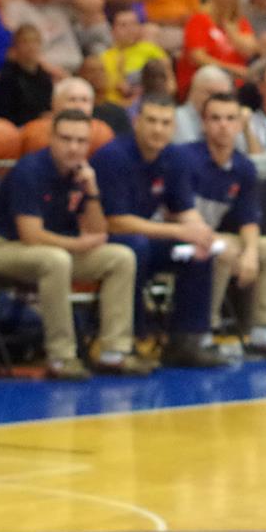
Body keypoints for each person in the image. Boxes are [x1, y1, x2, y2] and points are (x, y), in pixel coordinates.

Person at [0, 107, 150, 380]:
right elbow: (30, 235)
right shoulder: (30, 169)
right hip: (1, 249)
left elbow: (98, 233)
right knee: (55, 260)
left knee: (120, 256)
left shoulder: (80, 174)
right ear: (51, 138)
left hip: (54, 249)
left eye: (81, 141)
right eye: (66, 139)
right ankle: (61, 356)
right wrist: (78, 244)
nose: (73, 147)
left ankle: (114, 352)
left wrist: (92, 191)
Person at [93, 93, 230, 368]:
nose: (158, 129)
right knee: (136, 247)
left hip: (144, 238)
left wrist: (201, 232)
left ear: (173, 127)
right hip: (104, 239)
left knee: (196, 251)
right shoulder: (113, 156)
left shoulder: (175, 157)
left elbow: (183, 209)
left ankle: (187, 339)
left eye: (165, 123)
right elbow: (114, 221)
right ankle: (130, 338)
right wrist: (178, 232)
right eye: (151, 121)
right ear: (136, 122)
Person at [179, 92, 266, 357]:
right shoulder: (185, 159)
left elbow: (249, 218)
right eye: (216, 118)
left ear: (240, 125)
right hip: (180, 238)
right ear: (204, 124)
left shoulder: (243, 166)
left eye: (231, 119)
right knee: (221, 248)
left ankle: (262, 332)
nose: (223, 125)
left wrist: (252, 254)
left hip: (216, 235)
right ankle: (203, 333)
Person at [2, 0, 85, 79]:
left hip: (77, 68)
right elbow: (17, 50)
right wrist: (63, 77)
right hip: (46, 75)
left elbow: (96, 5)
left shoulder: (60, 1)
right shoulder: (14, 8)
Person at [182, 0, 258, 98]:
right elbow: (198, 57)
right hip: (207, 81)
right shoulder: (199, 19)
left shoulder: (240, 22)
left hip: (238, 83)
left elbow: (250, 50)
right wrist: (231, 69)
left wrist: (232, 33)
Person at [99, 6, 170, 107]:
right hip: (119, 107)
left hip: (151, 103)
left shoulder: (151, 50)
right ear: (113, 30)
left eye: (134, 24)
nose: (129, 29)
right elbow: (114, 89)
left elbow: (170, 84)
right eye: (123, 25)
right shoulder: (105, 58)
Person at [0, 23, 54, 125]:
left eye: (35, 41)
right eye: (25, 42)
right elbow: (3, 113)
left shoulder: (45, 78)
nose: (31, 46)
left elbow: (46, 108)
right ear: (15, 46)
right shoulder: (6, 77)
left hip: (39, 128)